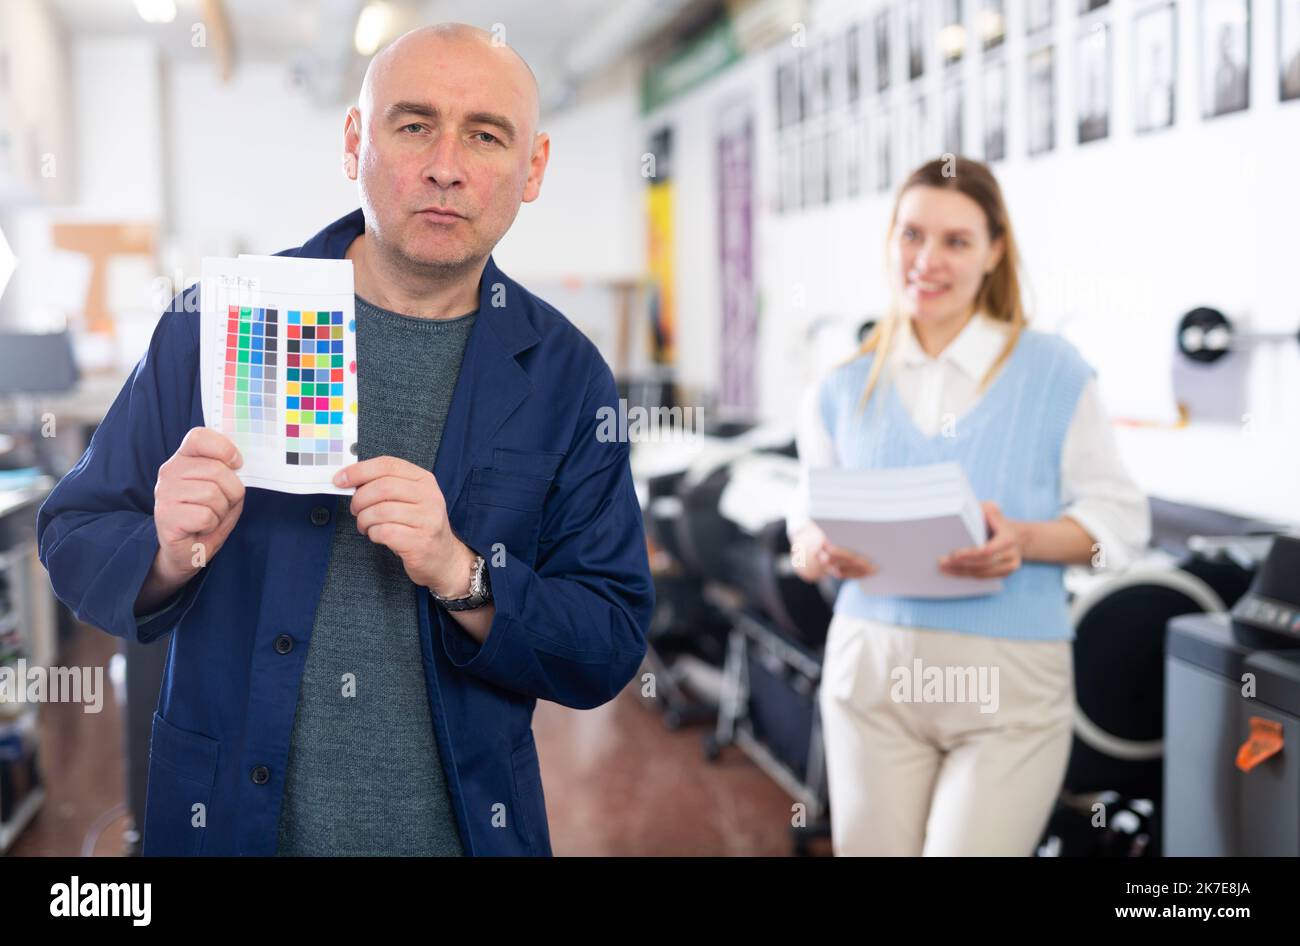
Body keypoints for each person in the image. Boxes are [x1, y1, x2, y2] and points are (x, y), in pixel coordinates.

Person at [36, 23, 653, 857]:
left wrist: (463, 574)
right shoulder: (217, 323)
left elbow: (608, 639)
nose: (446, 164)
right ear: (356, 141)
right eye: (413, 125)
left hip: (460, 833)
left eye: (485, 134)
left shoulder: (565, 376)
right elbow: (72, 530)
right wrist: (166, 550)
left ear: (532, 168)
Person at [787, 156, 1150, 856]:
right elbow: (808, 512)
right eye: (912, 235)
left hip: (1007, 684)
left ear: (994, 252)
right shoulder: (840, 386)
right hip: (871, 675)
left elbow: (1122, 522)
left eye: (956, 241)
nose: (928, 259)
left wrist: (1025, 540)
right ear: (890, 241)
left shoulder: (1054, 371)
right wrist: (812, 550)